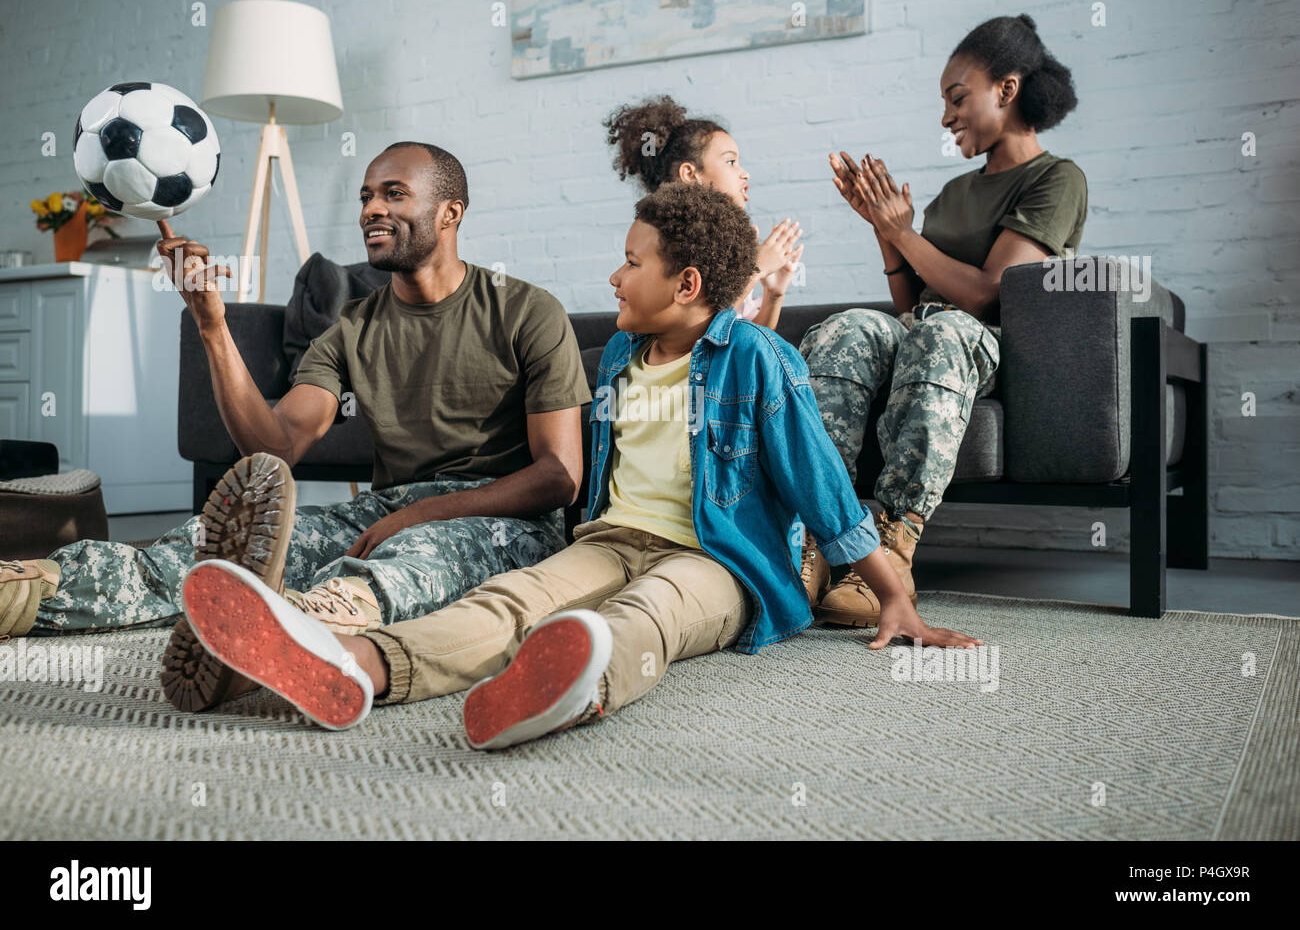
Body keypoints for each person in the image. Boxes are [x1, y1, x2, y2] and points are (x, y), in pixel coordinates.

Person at [175, 182, 981, 747]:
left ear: (688, 282)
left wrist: (893, 595)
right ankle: (356, 665)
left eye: (632, 262)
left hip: (717, 560)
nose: (613, 276)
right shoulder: (623, 354)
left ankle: (568, 689)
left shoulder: (759, 360)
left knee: (648, 617)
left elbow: (824, 488)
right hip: (609, 537)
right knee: (512, 597)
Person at [0, 142, 592, 717]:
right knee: (207, 546)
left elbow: (559, 478)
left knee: (400, 565)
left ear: (450, 213)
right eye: (366, 196)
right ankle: (35, 591)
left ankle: (297, 629)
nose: (371, 210)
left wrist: (416, 515)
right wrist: (212, 323)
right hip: (386, 510)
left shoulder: (526, 311)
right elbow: (274, 448)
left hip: (504, 521)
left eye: (394, 194)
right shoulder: (352, 328)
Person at [799, 15, 1088, 625]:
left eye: (958, 98)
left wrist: (903, 230)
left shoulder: (1055, 180)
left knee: (943, 329)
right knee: (849, 325)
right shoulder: (952, 193)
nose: (946, 116)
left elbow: (986, 294)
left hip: (982, 342)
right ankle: (822, 533)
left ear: (1006, 90)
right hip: (928, 331)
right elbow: (909, 307)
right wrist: (887, 235)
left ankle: (894, 543)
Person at [603, 95, 804, 329]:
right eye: (730, 162)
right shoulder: (667, 242)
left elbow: (744, 343)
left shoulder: (730, 244)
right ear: (690, 174)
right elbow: (697, 335)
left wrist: (773, 294)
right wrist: (754, 269)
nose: (744, 173)